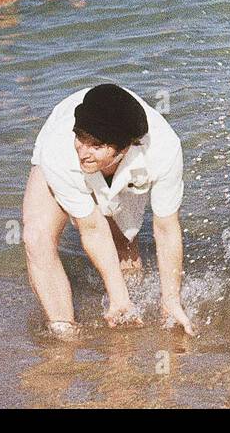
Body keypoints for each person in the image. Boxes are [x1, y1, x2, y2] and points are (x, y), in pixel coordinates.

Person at [22, 83, 196, 336]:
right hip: (60, 149)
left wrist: (171, 299)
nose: (83, 152)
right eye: (80, 138)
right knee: (36, 237)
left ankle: (128, 322)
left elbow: (166, 228)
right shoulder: (60, 149)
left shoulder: (163, 150)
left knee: (123, 246)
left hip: (130, 153)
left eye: (96, 145)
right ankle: (63, 330)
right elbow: (91, 226)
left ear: (124, 149)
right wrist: (117, 295)